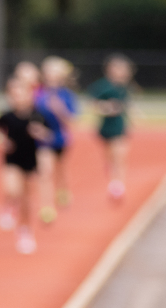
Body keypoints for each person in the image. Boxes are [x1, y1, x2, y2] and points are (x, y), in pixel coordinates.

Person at [0, 76, 50, 255]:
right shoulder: (6, 115)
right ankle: (8, 204)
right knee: (12, 189)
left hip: (30, 160)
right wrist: (2, 142)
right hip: (12, 159)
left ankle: (25, 231)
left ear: (30, 95)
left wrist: (40, 133)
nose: (18, 98)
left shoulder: (37, 114)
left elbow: (48, 136)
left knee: (27, 199)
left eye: (22, 94)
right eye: (14, 95)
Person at [35, 56, 78, 222]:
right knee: (45, 173)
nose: (50, 76)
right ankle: (46, 206)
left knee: (60, 169)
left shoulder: (66, 95)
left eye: (54, 72)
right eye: (48, 72)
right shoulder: (38, 93)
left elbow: (72, 119)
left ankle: (63, 189)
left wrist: (59, 109)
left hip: (60, 137)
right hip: (42, 139)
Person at [88, 54, 134, 201]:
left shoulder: (124, 87)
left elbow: (126, 106)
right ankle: (114, 179)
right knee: (110, 157)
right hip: (107, 126)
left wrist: (131, 120)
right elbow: (94, 104)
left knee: (120, 154)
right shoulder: (103, 86)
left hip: (120, 125)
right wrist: (107, 108)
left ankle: (118, 185)